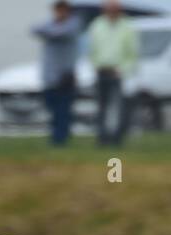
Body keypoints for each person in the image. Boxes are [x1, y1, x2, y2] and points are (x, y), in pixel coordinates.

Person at [87, 0, 138, 146]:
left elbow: (132, 53)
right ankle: (102, 137)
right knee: (101, 106)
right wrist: (95, 65)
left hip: (118, 73)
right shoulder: (97, 25)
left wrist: (122, 69)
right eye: (108, 9)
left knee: (119, 107)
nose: (111, 12)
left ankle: (117, 138)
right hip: (101, 70)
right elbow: (92, 49)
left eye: (114, 9)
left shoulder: (127, 27)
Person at [32, 0, 80, 146]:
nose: (60, 14)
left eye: (63, 11)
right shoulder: (51, 24)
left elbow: (61, 33)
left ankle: (60, 139)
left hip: (65, 76)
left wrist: (50, 31)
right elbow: (34, 29)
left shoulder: (73, 24)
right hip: (49, 76)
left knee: (63, 108)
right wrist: (51, 30)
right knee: (51, 106)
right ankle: (59, 134)